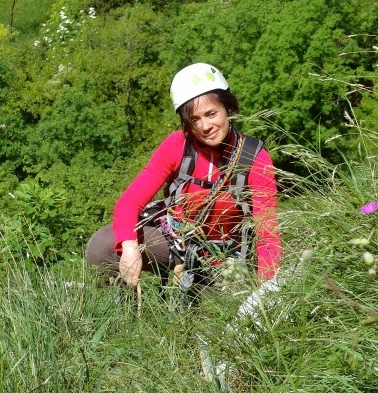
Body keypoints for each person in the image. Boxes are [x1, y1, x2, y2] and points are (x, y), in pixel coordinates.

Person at [86, 63, 280, 289]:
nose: (205, 126)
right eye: (194, 119)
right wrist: (129, 247)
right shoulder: (177, 145)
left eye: (211, 114)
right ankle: (125, 309)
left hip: (227, 259)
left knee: (210, 309)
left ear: (228, 107)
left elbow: (267, 233)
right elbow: (129, 202)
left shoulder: (254, 158)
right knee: (102, 247)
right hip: (178, 243)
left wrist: (267, 289)